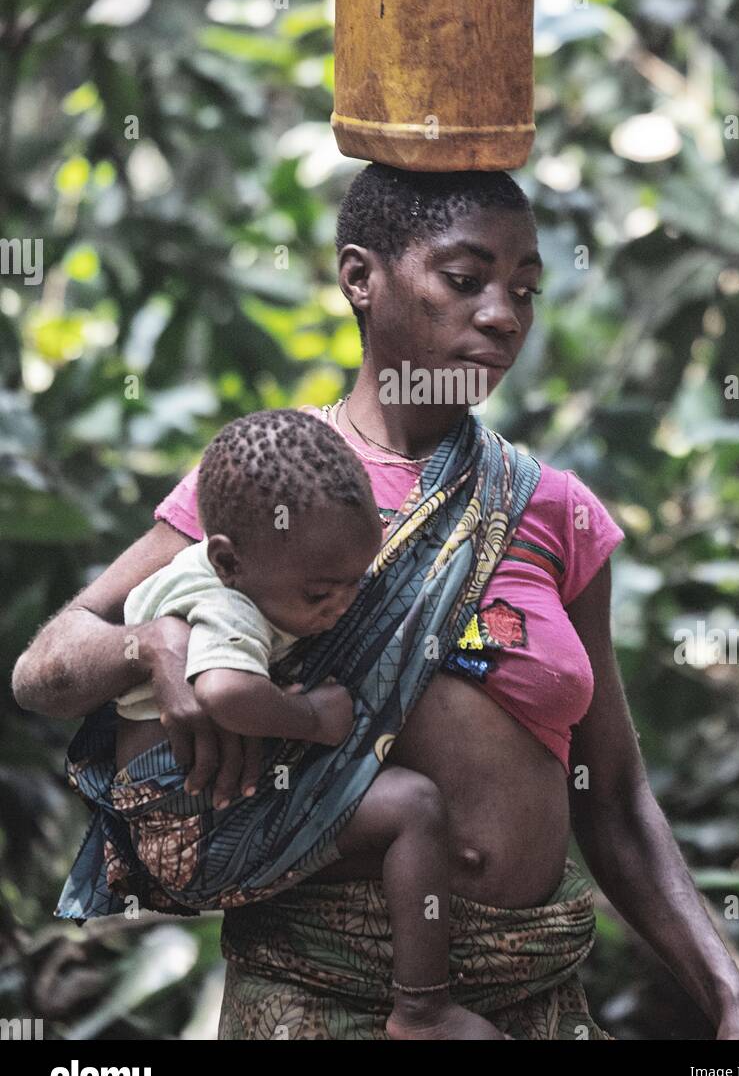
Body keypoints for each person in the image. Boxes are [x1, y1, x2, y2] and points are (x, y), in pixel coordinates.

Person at [13, 165, 739, 1040]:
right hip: (324, 997)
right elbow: (44, 673)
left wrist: (730, 999)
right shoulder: (274, 485)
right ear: (359, 278)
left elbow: (613, 794)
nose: (503, 314)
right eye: (464, 280)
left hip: (534, 1000)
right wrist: (148, 645)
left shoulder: (554, 510)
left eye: (524, 289)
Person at [55, 406, 512, 1040]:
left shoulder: (252, 568)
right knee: (414, 807)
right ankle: (423, 1011)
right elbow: (223, 691)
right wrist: (312, 718)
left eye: (355, 586)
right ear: (229, 561)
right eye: (322, 595)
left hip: (179, 807)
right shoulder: (226, 605)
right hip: (190, 821)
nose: (341, 609)